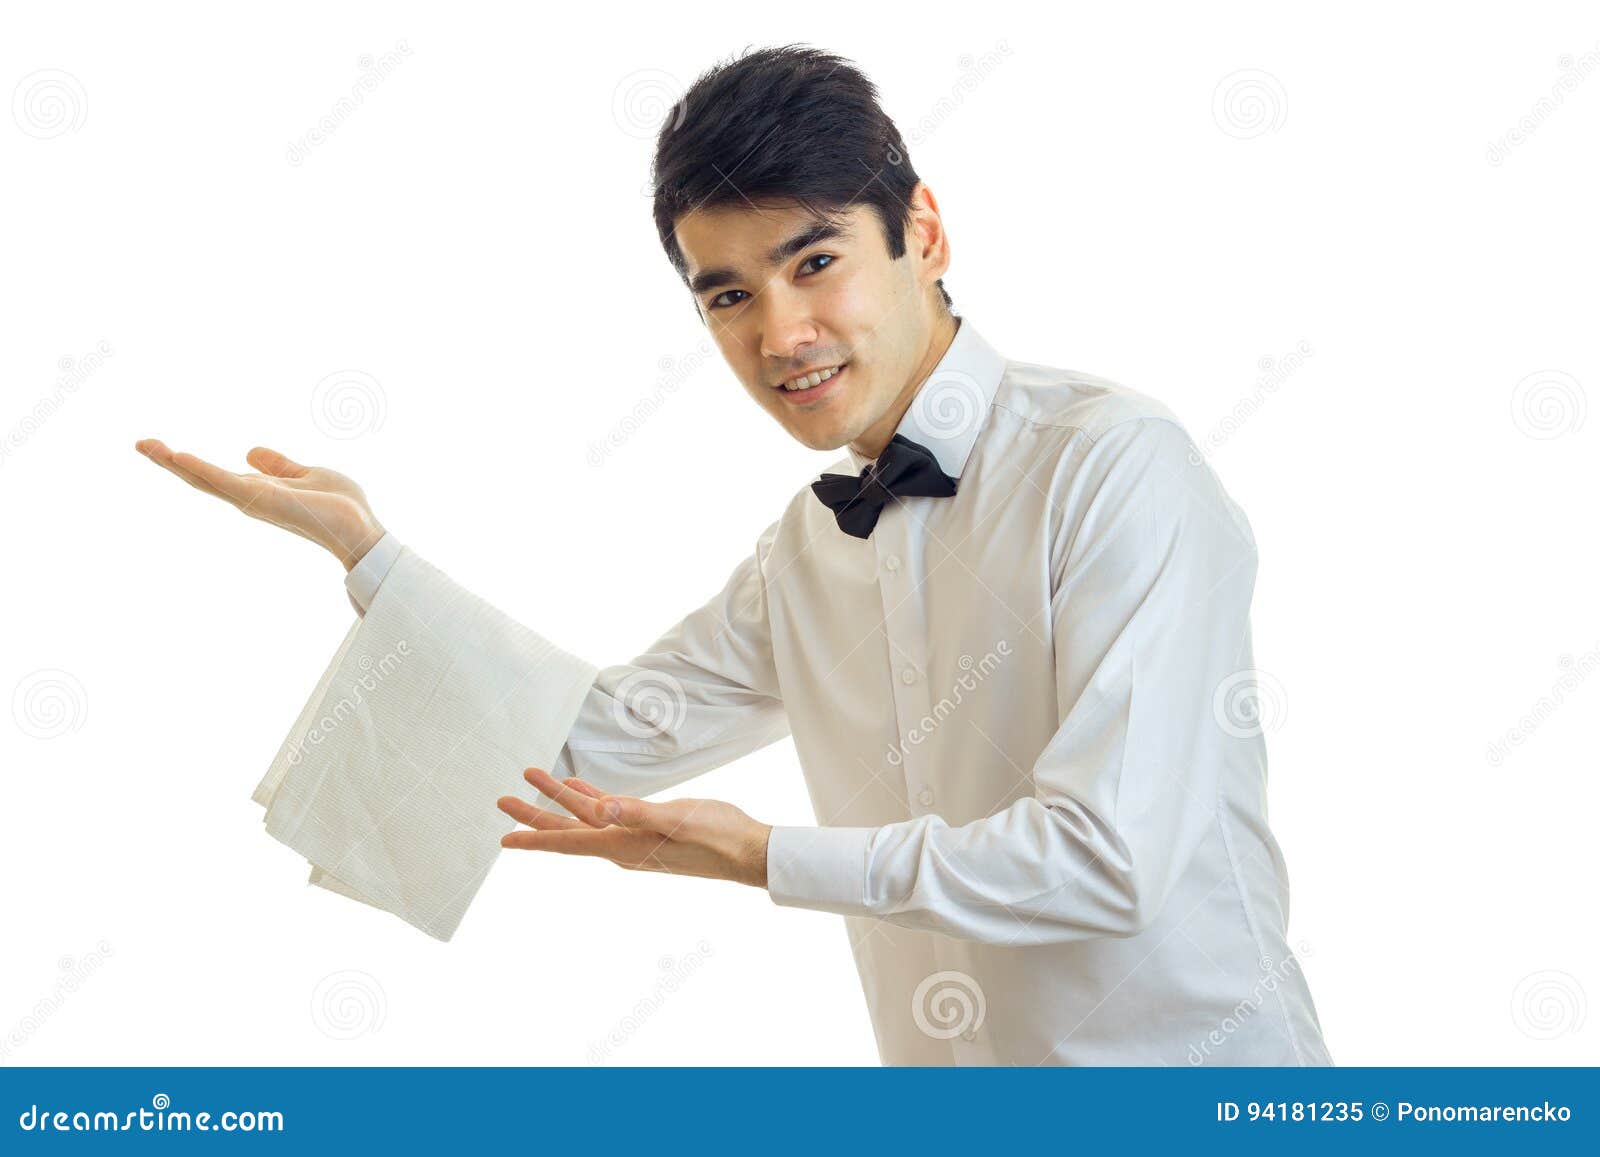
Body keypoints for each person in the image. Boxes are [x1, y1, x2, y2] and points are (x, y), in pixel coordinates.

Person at [136, 45, 1330, 1066]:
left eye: (813, 263)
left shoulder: (1114, 467)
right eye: (727, 297)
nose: (780, 333)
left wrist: (765, 856)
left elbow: (1110, 858)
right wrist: (371, 555)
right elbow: (580, 743)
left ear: (921, 230)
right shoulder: (807, 548)